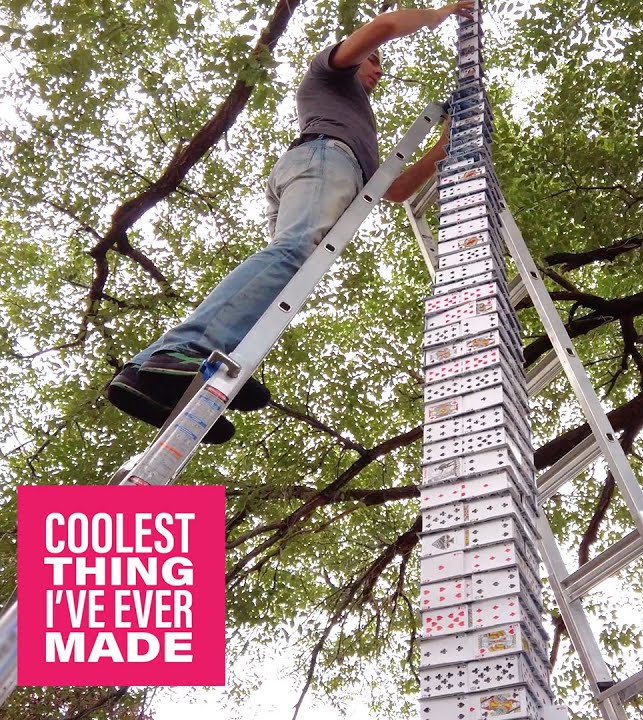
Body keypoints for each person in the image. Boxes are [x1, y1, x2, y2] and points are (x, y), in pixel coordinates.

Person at [107, 3, 473, 443]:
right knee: (293, 252)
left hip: (324, 166)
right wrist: (441, 12)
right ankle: (183, 349)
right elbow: (387, 25)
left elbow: (393, 191)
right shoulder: (328, 75)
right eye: (372, 60)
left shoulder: (354, 119)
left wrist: (441, 148)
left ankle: (152, 376)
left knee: (284, 273)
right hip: (322, 157)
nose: (378, 70)